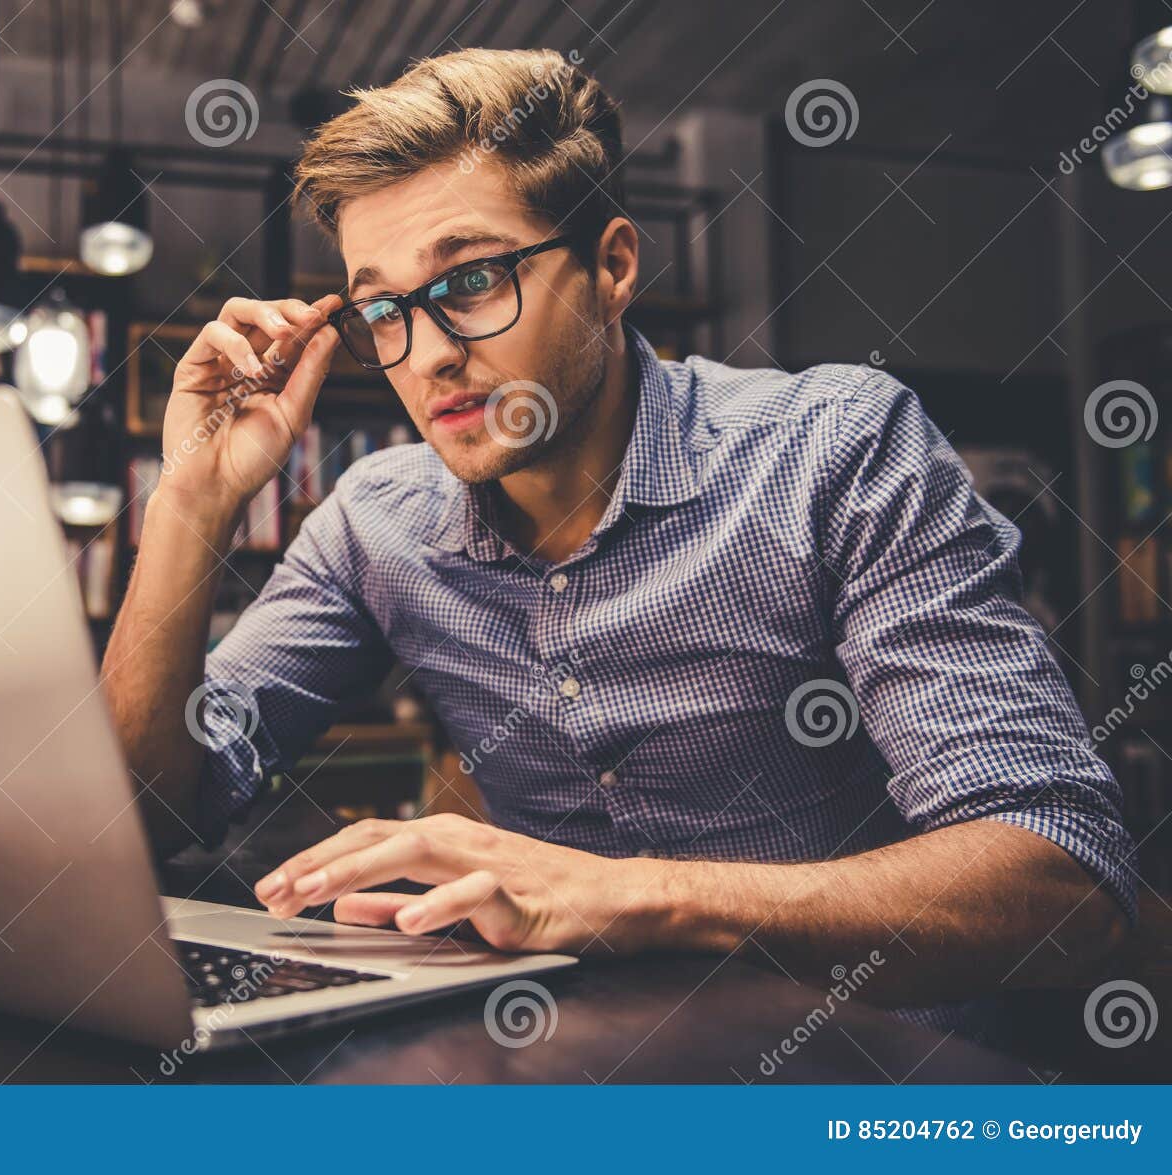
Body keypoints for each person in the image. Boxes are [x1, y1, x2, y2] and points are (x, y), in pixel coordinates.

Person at [102, 47, 1134, 1036]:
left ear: (611, 265)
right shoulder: (376, 522)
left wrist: (632, 897)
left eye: (470, 282)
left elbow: (1058, 880)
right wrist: (190, 506)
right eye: (383, 308)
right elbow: (140, 819)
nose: (426, 356)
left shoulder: (832, 449)